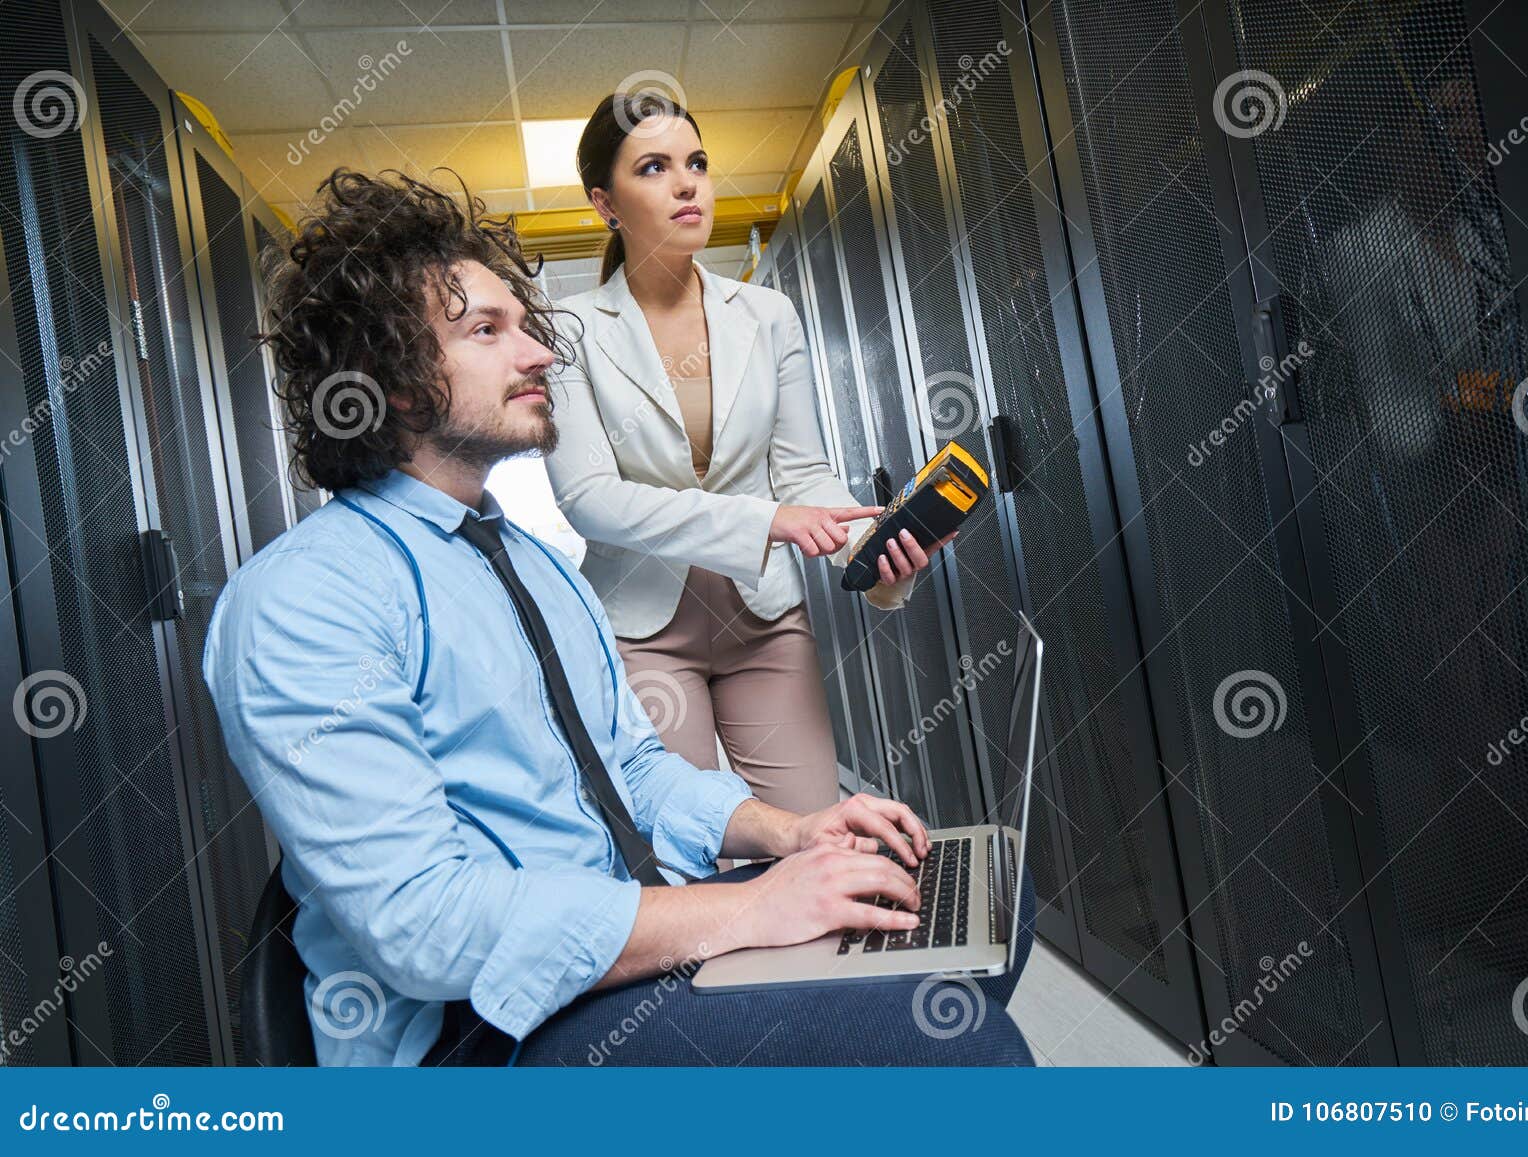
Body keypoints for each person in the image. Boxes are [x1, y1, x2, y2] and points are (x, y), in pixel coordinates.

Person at [201, 167, 1032, 1067]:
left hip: (630, 935)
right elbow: (422, 924)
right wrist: (748, 907)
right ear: (393, 384)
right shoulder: (303, 600)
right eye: (488, 330)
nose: (540, 355)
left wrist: (790, 834)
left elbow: (632, 769)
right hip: (494, 1030)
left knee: (975, 903)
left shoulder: (533, 563)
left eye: (525, 326)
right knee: (958, 1045)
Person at [541, 92, 954, 817]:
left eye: (697, 163)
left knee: (811, 829)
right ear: (605, 202)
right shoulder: (570, 330)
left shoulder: (768, 315)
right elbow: (589, 498)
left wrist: (875, 541)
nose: (687, 183)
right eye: (655, 167)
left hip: (763, 619)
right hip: (641, 632)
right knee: (689, 847)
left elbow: (803, 475)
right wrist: (767, 521)